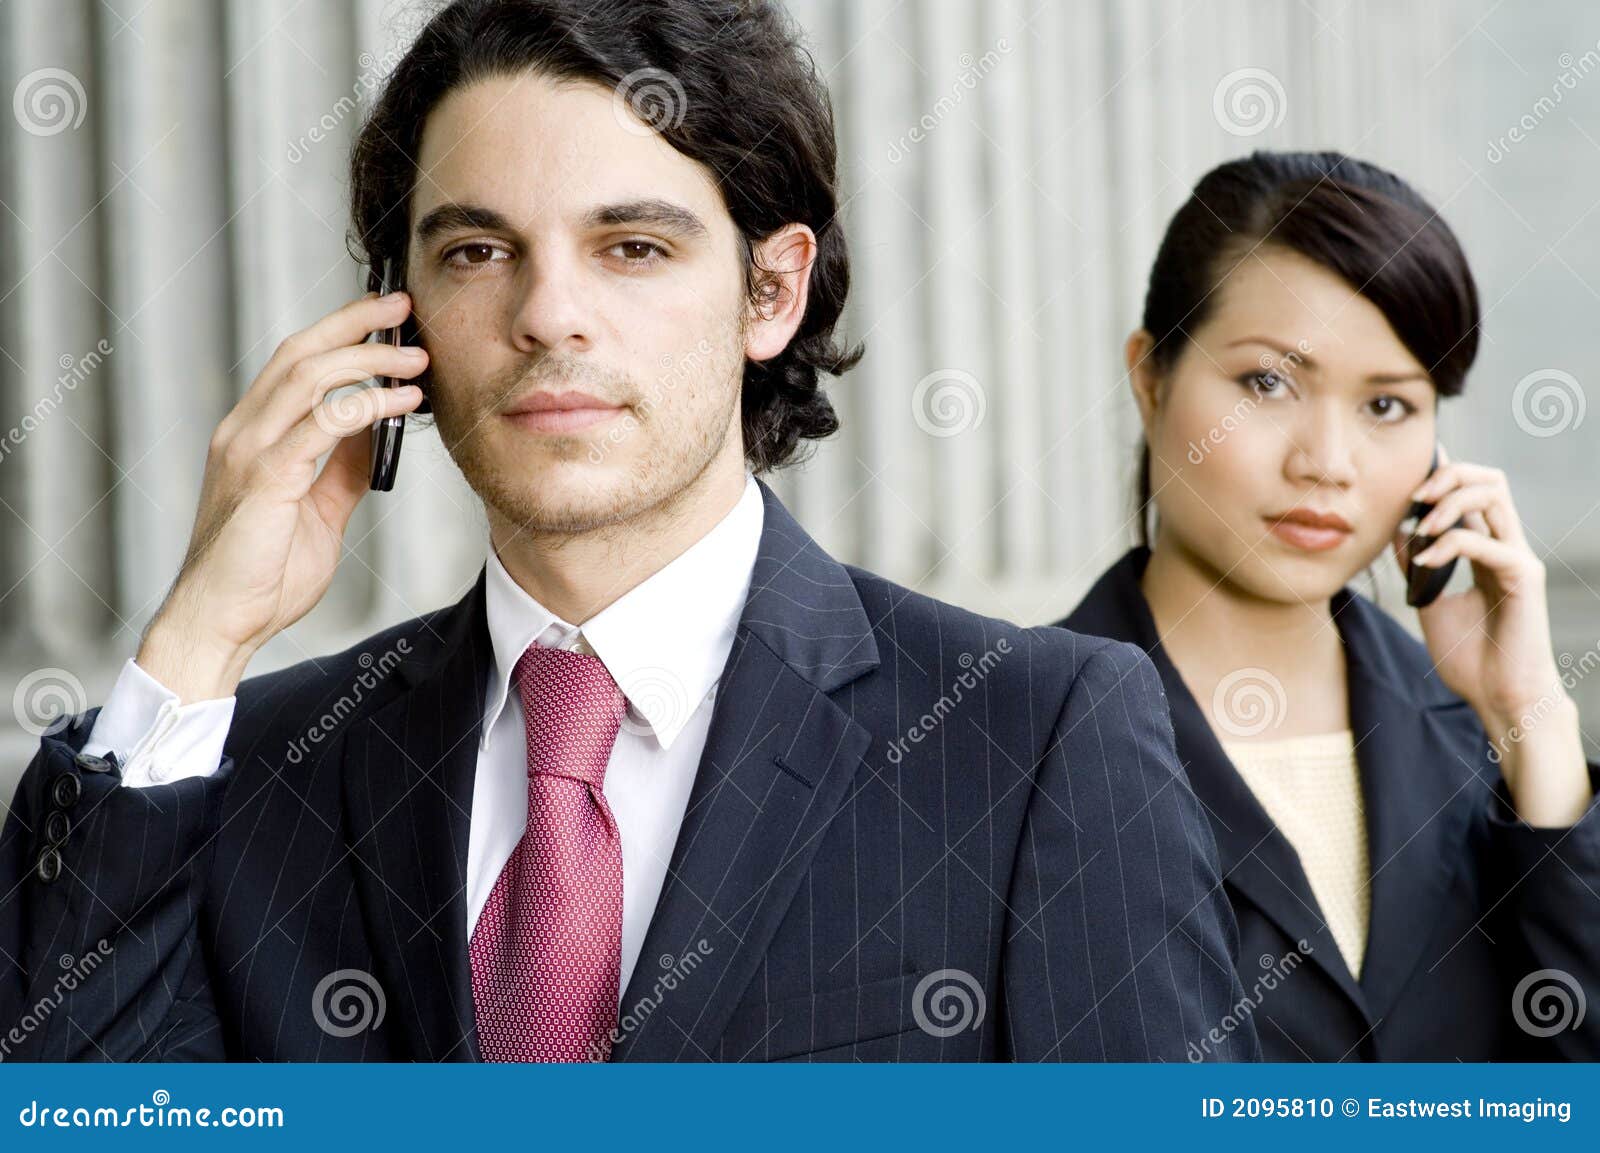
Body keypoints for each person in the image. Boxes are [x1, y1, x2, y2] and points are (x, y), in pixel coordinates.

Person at [0, 0, 1254, 1063]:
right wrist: (197, 637)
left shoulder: (1032, 738)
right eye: (478, 249)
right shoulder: (253, 768)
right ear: (400, 316)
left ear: (770, 290)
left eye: (633, 246)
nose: (549, 313)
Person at [1060, 149, 1600, 1060]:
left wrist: (1531, 719)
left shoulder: (1475, 736)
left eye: (1387, 406)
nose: (1328, 462)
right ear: (1151, 380)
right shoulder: (1012, 738)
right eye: (1267, 383)